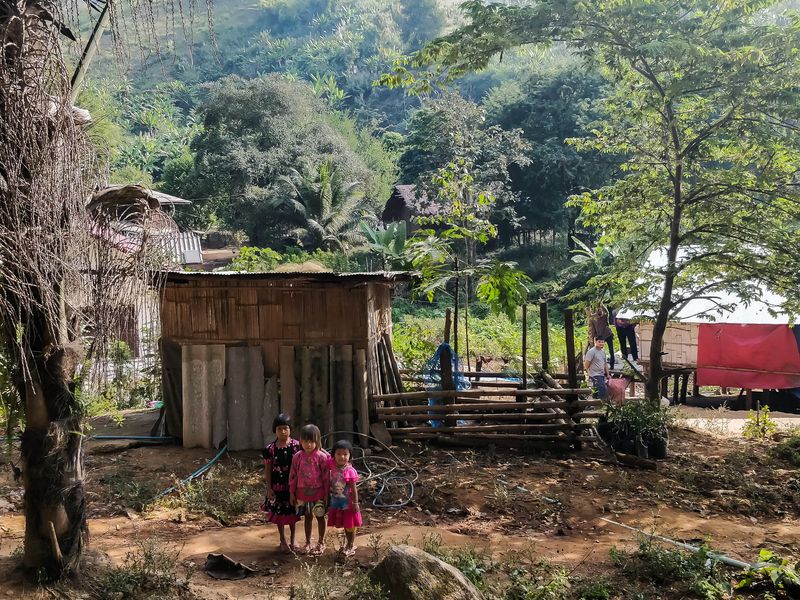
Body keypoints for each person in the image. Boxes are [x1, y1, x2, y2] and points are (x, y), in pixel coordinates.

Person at [262, 413, 302, 553]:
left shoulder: (297, 446)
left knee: (292, 513)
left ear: (290, 429)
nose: (283, 432)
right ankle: (282, 540)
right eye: (279, 429)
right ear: (275, 430)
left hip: (292, 486)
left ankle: (293, 539)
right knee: (279, 514)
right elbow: (268, 469)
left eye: (285, 428)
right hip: (277, 486)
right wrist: (269, 488)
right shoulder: (270, 449)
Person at [289, 423, 330, 555]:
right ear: (300, 441)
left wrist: (326, 494)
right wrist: (292, 492)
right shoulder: (297, 457)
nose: (308, 444)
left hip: (318, 493)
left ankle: (321, 542)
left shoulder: (321, 457)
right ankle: (308, 542)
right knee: (307, 517)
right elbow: (293, 475)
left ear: (317, 441)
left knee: (320, 516)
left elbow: (326, 477)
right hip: (302, 493)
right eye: (305, 441)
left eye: (312, 441)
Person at [327, 439, 362, 557]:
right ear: (334, 455)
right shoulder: (332, 464)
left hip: (349, 502)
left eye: (345, 454)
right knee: (343, 523)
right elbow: (325, 456)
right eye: (338, 454)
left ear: (350, 455)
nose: (342, 457)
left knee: (349, 525)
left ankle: (350, 545)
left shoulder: (350, 471)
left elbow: (354, 489)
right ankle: (348, 544)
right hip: (337, 500)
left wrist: (356, 503)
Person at [588, 304, 615, 370]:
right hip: (600, 336)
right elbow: (592, 329)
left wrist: (602, 305)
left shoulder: (604, 316)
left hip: (607, 334)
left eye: (600, 309)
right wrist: (593, 339)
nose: (599, 311)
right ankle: (600, 366)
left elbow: (606, 312)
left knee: (611, 350)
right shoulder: (593, 318)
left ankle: (612, 365)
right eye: (598, 310)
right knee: (599, 351)